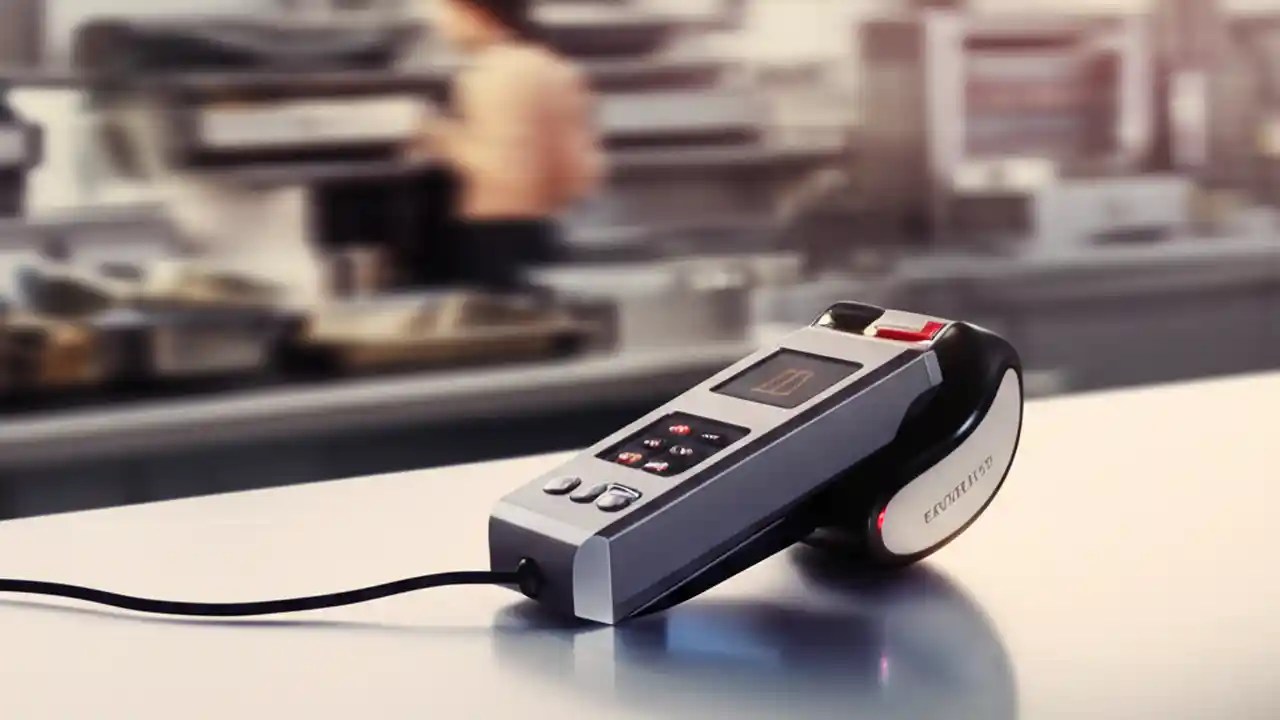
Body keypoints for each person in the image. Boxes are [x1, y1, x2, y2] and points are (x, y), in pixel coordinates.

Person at [409, 0, 605, 293]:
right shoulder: (554, 67)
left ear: (474, 13)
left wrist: (440, 137)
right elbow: (580, 174)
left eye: (446, 13)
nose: (441, 25)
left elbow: (503, 169)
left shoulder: (489, 74)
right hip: (544, 228)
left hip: (492, 230)